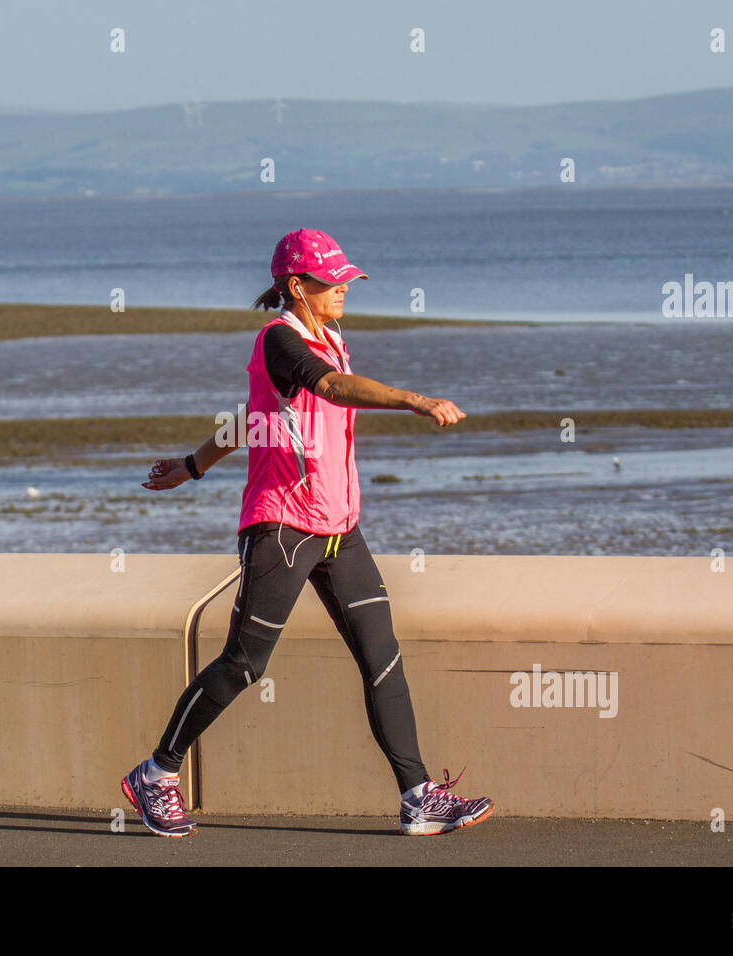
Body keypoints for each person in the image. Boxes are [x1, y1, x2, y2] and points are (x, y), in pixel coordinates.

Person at [122, 228, 493, 837]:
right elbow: (331, 388)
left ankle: (419, 797)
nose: (345, 287)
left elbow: (255, 416)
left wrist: (192, 465)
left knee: (382, 656)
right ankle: (157, 774)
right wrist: (412, 399)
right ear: (297, 287)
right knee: (245, 665)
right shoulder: (280, 340)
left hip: (338, 528)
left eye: (346, 278)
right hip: (282, 526)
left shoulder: (331, 336)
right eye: (332, 280)